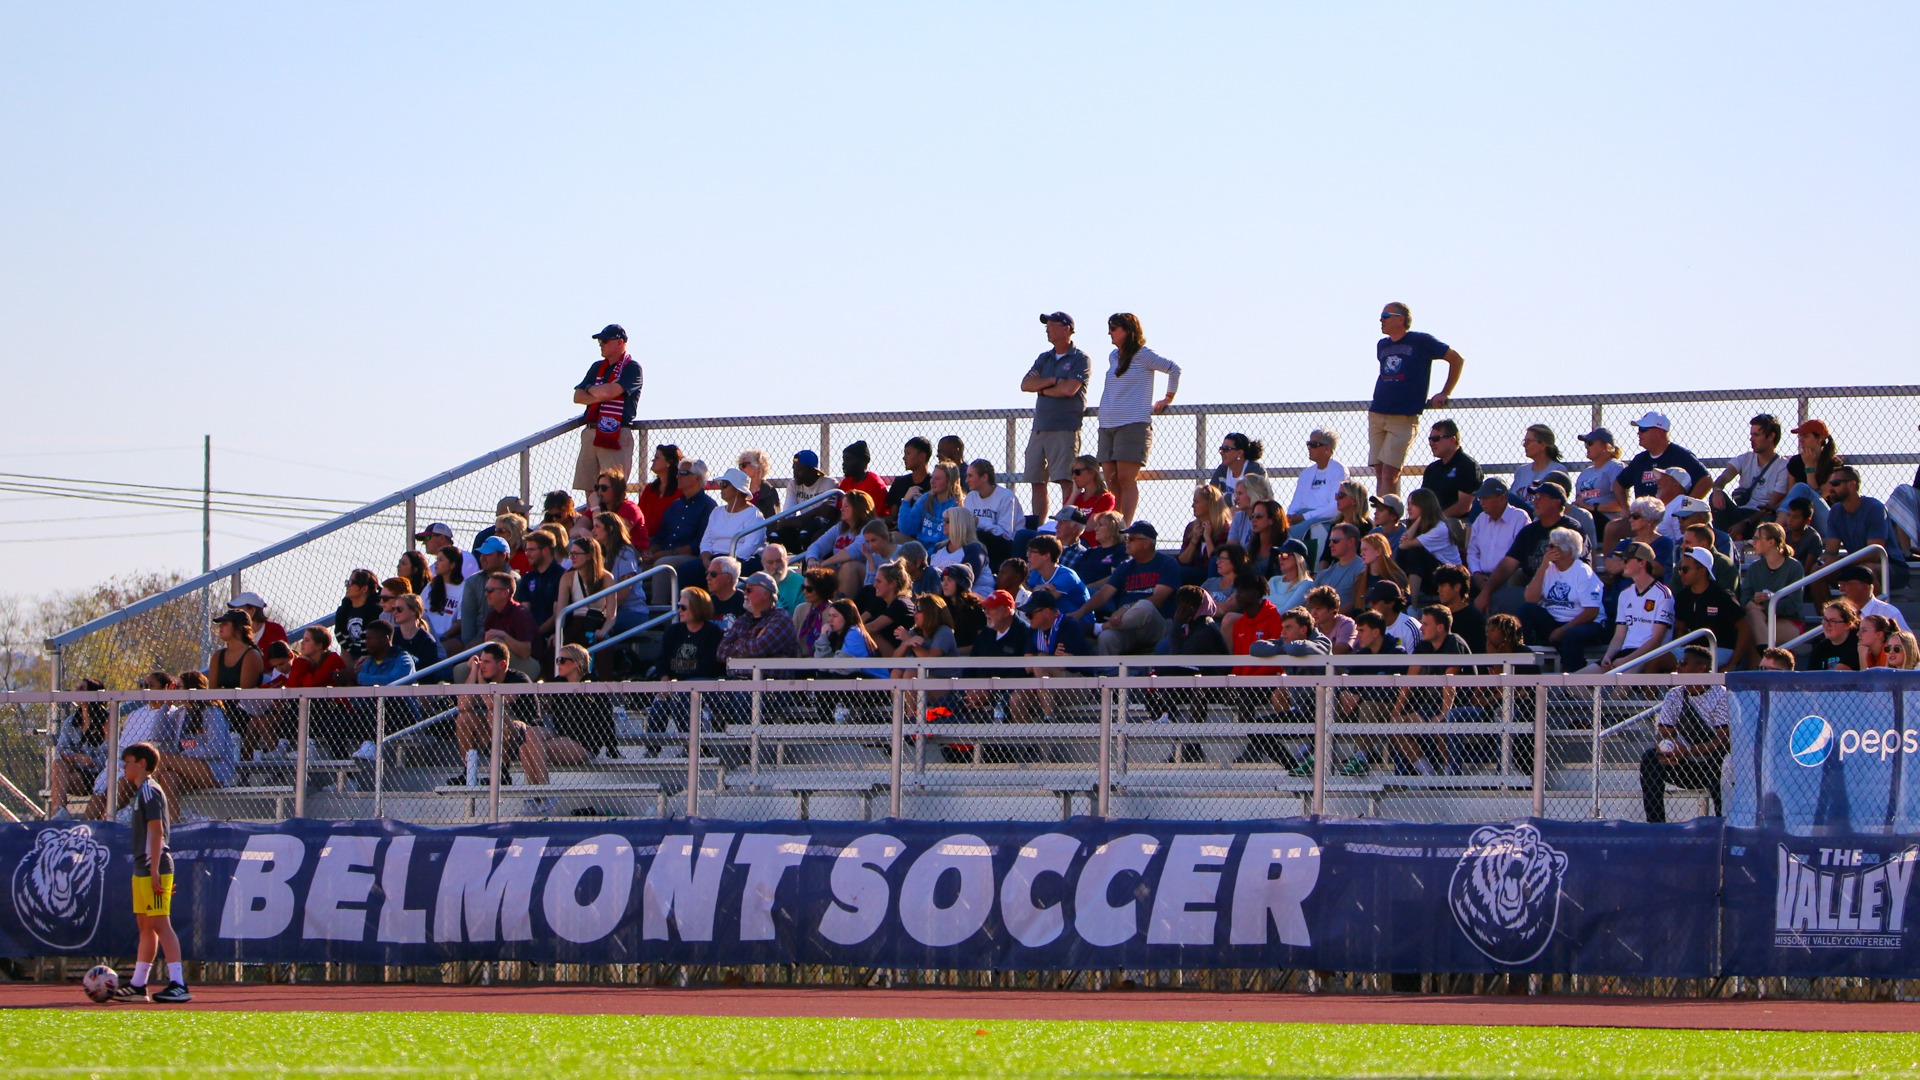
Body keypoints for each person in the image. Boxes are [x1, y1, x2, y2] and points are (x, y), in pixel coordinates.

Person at [117, 741, 192, 1002]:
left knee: (161, 923)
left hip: (153, 867)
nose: (124, 767)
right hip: (142, 868)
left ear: (142, 764)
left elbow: (157, 831)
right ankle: (138, 985)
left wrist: (156, 871)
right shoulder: (141, 793)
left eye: (128, 762)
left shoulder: (150, 790)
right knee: (146, 925)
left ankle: (178, 984)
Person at [1368, 302, 1465, 495]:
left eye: (1386, 316)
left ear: (1400, 319)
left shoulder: (1421, 341)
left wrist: (1445, 392)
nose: (1381, 320)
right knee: (1379, 471)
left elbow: (1456, 359)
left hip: (1403, 416)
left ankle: (1388, 511)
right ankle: (1383, 509)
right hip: (1377, 413)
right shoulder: (1383, 345)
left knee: (1390, 472)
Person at [1097, 312, 1181, 523]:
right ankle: (1114, 522)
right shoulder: (1113, 356)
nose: (1109, 333)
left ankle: (1124, 525)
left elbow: (1173, 369)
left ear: (1127, 330)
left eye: (1114, 328)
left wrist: (1167, 398)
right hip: (1107, 424)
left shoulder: (1143, 354)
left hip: (1132, 424)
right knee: (1110, 478)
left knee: (1126, 477)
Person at [1639, 646, 1730, 823]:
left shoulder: (1721, 695)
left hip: (1711, 767)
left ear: (1701, 668)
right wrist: (1665, 750)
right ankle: (1656, 826)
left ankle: (1723, 823)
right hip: (1682, 765)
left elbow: (1722, 739)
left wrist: (1687, 750)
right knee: (1650, 758)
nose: (1678, 667)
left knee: (1721, 757)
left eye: (1684, 663)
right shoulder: (1674, 695)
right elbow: (1663, 733)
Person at [1020, 312, 1093, 522]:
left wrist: (1042, 387)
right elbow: (1026, 384)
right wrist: (1053, 381)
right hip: (1040, 428)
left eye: (1052, 325)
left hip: (1064, 428)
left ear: (1066, 329)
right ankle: (1038, 525)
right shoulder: (1044, 358)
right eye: (1047, 326)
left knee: (1065, 479)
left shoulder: (1080, 359)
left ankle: (1066, 522)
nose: (1048, 330)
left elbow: (1069, 389)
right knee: (1036, 479)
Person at [1386, 606, 1474, 777]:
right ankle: (1427, 773)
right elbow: (1409, 680)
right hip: (1431, 707)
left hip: (1461, 706)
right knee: (1395, 726)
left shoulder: (1454, 642)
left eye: (1426, 624)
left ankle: (1452, 774)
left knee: (1442, 725)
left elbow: (1450, 682)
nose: (1421, 628)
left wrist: (1443, 714)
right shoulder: (1424, 645)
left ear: (1440, 627)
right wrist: (1396, 712)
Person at [1076, 521, 1180, 653]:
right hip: (1125, 627)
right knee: (1106, 638)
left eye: (1131, 539)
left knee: (1145, 606)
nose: (1127, 542)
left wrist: (1126, 608)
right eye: (1126, 538)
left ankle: (1100, 628)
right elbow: (1103, 594)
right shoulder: (1125, 566)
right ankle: (1106, 665)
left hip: (1156, 626)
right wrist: (1079, 613)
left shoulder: (1167, 563)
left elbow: (1158, 600)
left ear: (1146, 543)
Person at [1478, 480, 1579, 616]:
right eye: (1535, 497)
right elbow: (1507, 565)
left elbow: (1579, 569)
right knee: (1497, 598)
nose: (1535, 501)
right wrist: (1486, 592)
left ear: (1556, 502)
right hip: (1532, 589)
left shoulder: (1572, 530)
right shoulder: (1529, 531)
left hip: (1563, 593)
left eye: (1540, 497)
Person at [1610, 411, 1710, 546]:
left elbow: (1706, 480)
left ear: (1659, 431)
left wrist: (1685, 507)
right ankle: (1613, 560)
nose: (1639, 433)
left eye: (1643, 429)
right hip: (1642, 518)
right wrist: (1626, 510)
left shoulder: (1680, 455)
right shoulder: (1640, 459)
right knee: (1612, 529)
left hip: (1670, 517)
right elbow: (1618, 484)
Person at [1520, 528, 1608, 672]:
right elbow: (1530, 599)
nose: (1547, 550)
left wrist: (1563, 630)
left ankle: (1574, 681)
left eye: (1552, 546)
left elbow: (1592, 611)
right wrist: (1543, 567)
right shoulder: (1548, 569)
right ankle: (1526, 665)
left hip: (1585, 623)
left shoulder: (1582, 571)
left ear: (1568, 550)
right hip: (1555, 620)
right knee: (1525, 610)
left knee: (1571, 637)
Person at [572, 323, 642, 495]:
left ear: (620, 342)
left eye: (604, 341)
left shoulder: (632, 368)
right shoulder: (597, 367)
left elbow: (610, 392)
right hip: (591, 432)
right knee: (590, 489)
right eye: (600, 341)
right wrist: (600, 393)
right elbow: (578, 396)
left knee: (613, 489)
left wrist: (591, 389)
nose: (601, 345)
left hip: (615, 434)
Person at [1824, 465, 1911, 591]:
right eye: (1830, 484)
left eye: (1836, 483)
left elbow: (1874, 554)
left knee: (1865, 570)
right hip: (1854, 564)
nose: (1830, 488)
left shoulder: (1875, 508)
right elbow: (1831, 551)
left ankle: (1879, 604)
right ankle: (1829, 605)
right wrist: (1826, 561)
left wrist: (1840, 562)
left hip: (1891, 567)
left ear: (1852, 484)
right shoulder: (1835, 511)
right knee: (1817, 571)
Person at [644, 458, 718, 603]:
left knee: (663, 565)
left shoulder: (708, 506)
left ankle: (658, 613)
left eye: (683, 473)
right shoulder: (675, 506)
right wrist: (650, 552)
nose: (678, 476)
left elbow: (701, 543)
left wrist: (669, 553)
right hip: (665, 554)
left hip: (690, 557)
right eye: (678, 473)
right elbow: (660, 536)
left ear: (698, 478)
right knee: (633, 563)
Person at [1593, 542, 1675, 673]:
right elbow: (1619, 635)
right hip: (1625, 653)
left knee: (1622, 682)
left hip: (1649, 656)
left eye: (1626, 560)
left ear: (1642, 563)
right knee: (1576, 680)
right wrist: (1608, 656)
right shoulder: (1625, 594)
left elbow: (1656, 640)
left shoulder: (1663, 594)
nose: (1623, 563)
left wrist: (1626, 660)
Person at [1709, 413, 1791, 537]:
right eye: (1751, 435)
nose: (1751, 439)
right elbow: (1723, 478)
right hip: (1741, 512)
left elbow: (1772, 506)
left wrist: (1745, 523)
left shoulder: (1782, 466)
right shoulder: (1745, 459)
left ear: (1771, 436)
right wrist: (1717, 490)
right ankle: (1723, 540)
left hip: (1762, 517)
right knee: (1715, 498)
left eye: (1756, 435)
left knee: (1768, 518)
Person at [1741, 521, 1807, 654]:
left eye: (1757, 538)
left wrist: (1767, 602)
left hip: (1789, 621)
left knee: (1752, 632)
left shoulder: (1794, 567)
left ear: (1771, 542)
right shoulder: (1754, 568)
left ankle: (1766, 655)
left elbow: (1794, 606)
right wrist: (1755, 600)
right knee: (1752, 611)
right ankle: (1767, 654)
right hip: (1760, 618)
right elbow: (1744, 599)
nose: (1753, 542)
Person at [716, 571, 800, 668]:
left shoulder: (781, 619)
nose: (745, 593)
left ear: (766, 594)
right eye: (744, 589)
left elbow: (758, 648)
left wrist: (737, 643)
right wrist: (753, 642)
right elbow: (721, 652)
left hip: (768, 677)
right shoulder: (742, 620)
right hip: (738, 678)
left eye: (749, 590)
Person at [1396, 488, 1464, 600]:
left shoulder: (1440, 528)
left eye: (1413, 504)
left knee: (1415, 551)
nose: (1409, 508)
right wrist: (1419, 519)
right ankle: (1401, 595)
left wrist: (1420, 518)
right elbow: (1402, 547)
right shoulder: (1420, 526)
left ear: (1425, 506)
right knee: (1403, 554)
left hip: (1451, 576)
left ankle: (1412, 603)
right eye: (1408, 504)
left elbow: (1405, 545)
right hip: (1433, 573)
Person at [1464, 477, 1531, 592]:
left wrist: (1493, 581)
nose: (1481, 502)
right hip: (1481, 578)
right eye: (1480, 498)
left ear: (1502, 498)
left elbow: (1521, 554)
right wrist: (1476, 573)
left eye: (1486, 498)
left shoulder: (1520, 518)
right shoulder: (1480, 519)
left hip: (1509, 579)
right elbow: (1472, 552)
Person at [556, 537, 618, 650]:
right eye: (571, 554)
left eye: (576, 554)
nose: (572, 557)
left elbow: (611, 616)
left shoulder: (607, 578)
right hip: (577, 624)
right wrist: (558, 634)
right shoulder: (567, 577)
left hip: (598, 623)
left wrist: (603, 630)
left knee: (602, 646)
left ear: (589, 556)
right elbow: (561, 613)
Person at [652, 587, 726, 681]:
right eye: (679, 606)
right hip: (672, 685)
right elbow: (662, 660)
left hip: (700, 686)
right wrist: (665, 680)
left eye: (683, 607)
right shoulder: (673, 631)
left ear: (697, 608)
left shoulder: (712, 633)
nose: (679, 611)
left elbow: (709, 668)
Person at [476, 571, 540, 678]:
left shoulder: (520, 614)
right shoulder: (492, 616)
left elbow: (525, 652)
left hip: (529, 665)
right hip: (500, 663)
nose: (486, 594)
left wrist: (504, 636)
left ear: (505, 592)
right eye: (485, 590)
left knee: (497, 644)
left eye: (490, 590)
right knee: (460, 670)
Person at [1784, 418, 1842, 536]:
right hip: (1799, 517)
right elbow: (1791, 496)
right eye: (1800, 436)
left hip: (1826, 520)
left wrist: (1809, 467)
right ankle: (1776, 530)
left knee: (1801, 487)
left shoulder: (1834, 465)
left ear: (1819, 439)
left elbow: (1819, 496)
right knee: (1798, 491)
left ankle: (1776, 530)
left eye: (1806, 436)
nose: (1801, 440)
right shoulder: (1795, 462)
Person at [699, 467, 768, 563]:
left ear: (738, 490)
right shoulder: (716, 512)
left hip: (740, 561)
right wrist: (706, 560)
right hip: (714, 559)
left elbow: (750, 547)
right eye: (721, 484)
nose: (721, 488)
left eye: (724, 485)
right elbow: (706, 542)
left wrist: (724, 563)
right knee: (686, 569)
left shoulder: (754, 515)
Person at [962, 459, 1023, 565]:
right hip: (979, 541)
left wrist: (979, 523)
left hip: (1004, 545)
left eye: (970, 476)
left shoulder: (1006, 497)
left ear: (984, 477)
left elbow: (1006, 534)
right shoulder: (971, 497)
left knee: (979, 536)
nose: (966, 480)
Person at [1418, 418, 1481, 519]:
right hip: (1432, 523)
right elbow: (1422, 502)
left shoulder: (1467, 465)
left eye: (1436, 439)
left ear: (1452, 440)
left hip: (1458, 523)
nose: (1431, 443)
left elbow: (1464, 507)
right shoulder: (1432, 469)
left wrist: (1438, 520)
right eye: (1430, 439)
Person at [1286, 429, 1346, 531]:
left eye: (1314, 444)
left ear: (1327, 448)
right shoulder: (1306, 473)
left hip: (1324, 521)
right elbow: (1295, 504)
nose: (1309, 448)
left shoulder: (1338, 469)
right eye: (1308, 444)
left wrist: (1305, 517)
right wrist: (1290, 517)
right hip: (1302, 518)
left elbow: (1335, 507)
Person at [899, 459, 964, 551]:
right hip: (920, 548)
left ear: (949, 481)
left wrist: (930, 554)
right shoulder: (926, 499)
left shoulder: (957, 505)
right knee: (894, 536)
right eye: (932, 477)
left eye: (937, 478)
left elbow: (949, 540)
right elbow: (907, 529)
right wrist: (906, 502)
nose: (932, 481)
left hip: (942, 551)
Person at [928, 505, 993, 593]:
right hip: (943, 595)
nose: (943, 524)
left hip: (974, 597)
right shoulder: (939, 547)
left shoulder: (975, 550)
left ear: (959, 524)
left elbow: (964, 584)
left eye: (947, 521)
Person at [1509, 424, 1572, 513]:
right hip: (1520, 516)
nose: (1525, 445)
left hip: (1541, 513)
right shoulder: (1522, 471)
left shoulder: (1557, 470)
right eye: (1524, 441)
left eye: (1529, 441)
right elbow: (1512, 499)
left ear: (1542, 445)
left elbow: (1559, 501)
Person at [1176, 484, 1231, 586]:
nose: (1193, 506)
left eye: (1197, 502)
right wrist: (1194, 540)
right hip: (1195, 572)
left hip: (1214, 575)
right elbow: (1182, 561)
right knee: (1172, 569)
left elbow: (1217, 562)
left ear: (1210, 504)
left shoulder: (1225, 529)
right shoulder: (1191, 527)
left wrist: (1208, 538)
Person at [817, 598, 887, 679]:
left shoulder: (854, 632)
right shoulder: (832, 633)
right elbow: (822, 663)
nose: (830, 620)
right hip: (856, 677)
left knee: (837, 675)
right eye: (829, 615)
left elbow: (842, 665)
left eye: (835, 616)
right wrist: (823, 636)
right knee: (820, 673)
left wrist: (827, 663)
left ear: (847, 617)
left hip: (875, 680)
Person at [1574, 427, 1627, 532]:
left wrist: (1591, 508)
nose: (1586, 446)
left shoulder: (1615, 467)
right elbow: (1579, 500)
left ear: (1605, 446)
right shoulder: (1585, 473)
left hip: (1607, 519)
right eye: (1585, 443)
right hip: (1586, 515)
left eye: (1590, 443)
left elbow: (1620, 504)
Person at [1832, 563, 1911, 634]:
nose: (1841, 589)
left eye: (1846, 584)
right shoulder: (1840, 612)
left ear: (1865, 586)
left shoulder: (1889, 613)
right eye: (1840, 585)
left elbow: (1907, 642)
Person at [205, 609, 264, 699]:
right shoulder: (218, 656)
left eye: (225, 623)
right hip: (220, 707)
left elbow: (244, 695)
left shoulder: (251, 655)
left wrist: (221, 692)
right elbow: (212, 692)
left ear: (239, 627)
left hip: (243, 707)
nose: (220, 626)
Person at [1025, 534, 1090, 615]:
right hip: (1054, 619)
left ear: (1046, 555)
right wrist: (1035, 588)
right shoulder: (1036, 573)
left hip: (1078, 620)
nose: (1028, 555)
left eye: (1032, 552)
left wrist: (1026, 586)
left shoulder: (1066, 576)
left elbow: (1039, 603)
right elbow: (1027, 596)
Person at [1430, 563, 1486, 654]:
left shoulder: (1474, 618)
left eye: (1443, 585)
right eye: (1438, 586)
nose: (1439, 590)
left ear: (1457, 587)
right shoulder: (1436, 616)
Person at [334, 568, 383, 667]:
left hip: (373, 661)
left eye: (351, 582)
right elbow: (342, 640)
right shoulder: (343, 611)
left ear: (364, 588)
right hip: (352, 659)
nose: (347, 585)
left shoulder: (377, 611)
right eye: (347, 582)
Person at [388, 593, 444, 677]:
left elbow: (428, 675)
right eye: (393, 609)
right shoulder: (392, 635)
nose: (394, 612)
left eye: (399, 609)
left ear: (413, 611)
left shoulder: (427, 641)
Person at [1350, 533, 1408, 614]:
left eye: (1365, 549)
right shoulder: (1360, 578)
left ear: (1378, 551)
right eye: (1361, 550)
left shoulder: (1396, 577)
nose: (1361, 553)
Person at [636, 444, 683, 539]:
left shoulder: (680, 491)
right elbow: (639, 516)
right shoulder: (650, 489)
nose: (653, 460)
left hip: (667, 540)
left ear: (669, 462)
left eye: (657, 458)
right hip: (645, 539)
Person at [790, 568, 839, 657]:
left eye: (809, 589)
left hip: (825, 660)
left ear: (822, 589)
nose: (804, 592)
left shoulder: (835, 612)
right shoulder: (800, 609)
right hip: (800, 661)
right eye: (803, 587)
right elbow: (793, 641)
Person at [1365, 579, 1422, 654]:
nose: (1371, 605)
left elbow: (1416, 660)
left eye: (1375, 602)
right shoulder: (1371, 628)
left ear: (1390, 603)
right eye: (1369, 602)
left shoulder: (1410, 628)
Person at [1315, 523, 1365, 610]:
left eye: (1335, 541)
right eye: (1330, 541)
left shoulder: (1362, 569)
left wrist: (1330, 616)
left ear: (1351, 541)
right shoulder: (1324, 574)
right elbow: (1311, 603)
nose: (1330, 545)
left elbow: (1356, 603)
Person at [1209, 432, 1268, 502]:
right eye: (1221, 449)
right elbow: (1210, 496)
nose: (1221, 452)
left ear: (1239, 453)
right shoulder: (1222, 470)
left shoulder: (1255, 469)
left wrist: (1227, 500)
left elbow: (1252, 500)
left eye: (1226, 449)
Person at [1266, 538, 1317, 614]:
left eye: (1284, 555)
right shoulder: (1274, 580)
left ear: (1298, 558)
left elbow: (1287, 610)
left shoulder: (1306, 584)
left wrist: (1264, 619)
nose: (1280, 559)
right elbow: (1260, 604)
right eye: (1279, 555)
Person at [942, 565, 988, 648]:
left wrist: (955, 652)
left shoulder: (976, 608)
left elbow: (982, 642)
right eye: (943, 579)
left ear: (961, 583)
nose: (944, 584)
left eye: (949, 579)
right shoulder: (940, 606)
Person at [1243, 499, 1289, 580]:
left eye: (1259, 516)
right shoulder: (1249, 547)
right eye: (1252, 516)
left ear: (1272, 519)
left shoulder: (1287, 546)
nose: (1253, 520)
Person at [1809, 599, 1861, 671]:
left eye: (1832, 621)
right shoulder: (1820, 648)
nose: (1827, 624)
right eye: (1825, 619)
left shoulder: (1857, 646)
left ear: (1848, 625)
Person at [1304, 584, 1356, 654]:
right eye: (1312, 608)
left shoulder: (1347, 624)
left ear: (1332, 609)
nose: (1313, 613)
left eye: (1318, 608)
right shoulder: (1311, 627)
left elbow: (1339, 651)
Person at [734, 449, 782, 520]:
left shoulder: (768, 492)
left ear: (758, 468)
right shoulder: (738, 491)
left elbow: (773, 520)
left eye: (744, 465)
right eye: (740, 465)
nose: (741, 468)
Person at [1202, 542, 1249, 609]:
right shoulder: (1210, 582)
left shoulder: (1243, 586)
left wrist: (1202, 607)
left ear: (1235, 561)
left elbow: (1224, 609)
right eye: (1218, 558)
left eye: (1222, 559)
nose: (1217, 562)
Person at [759, 542, 804, 613]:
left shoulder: (801, 584)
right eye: (770, 562)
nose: (775, 566)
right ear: (763, 563)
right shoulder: (758, 583)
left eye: (779, 561)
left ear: (787, 560)